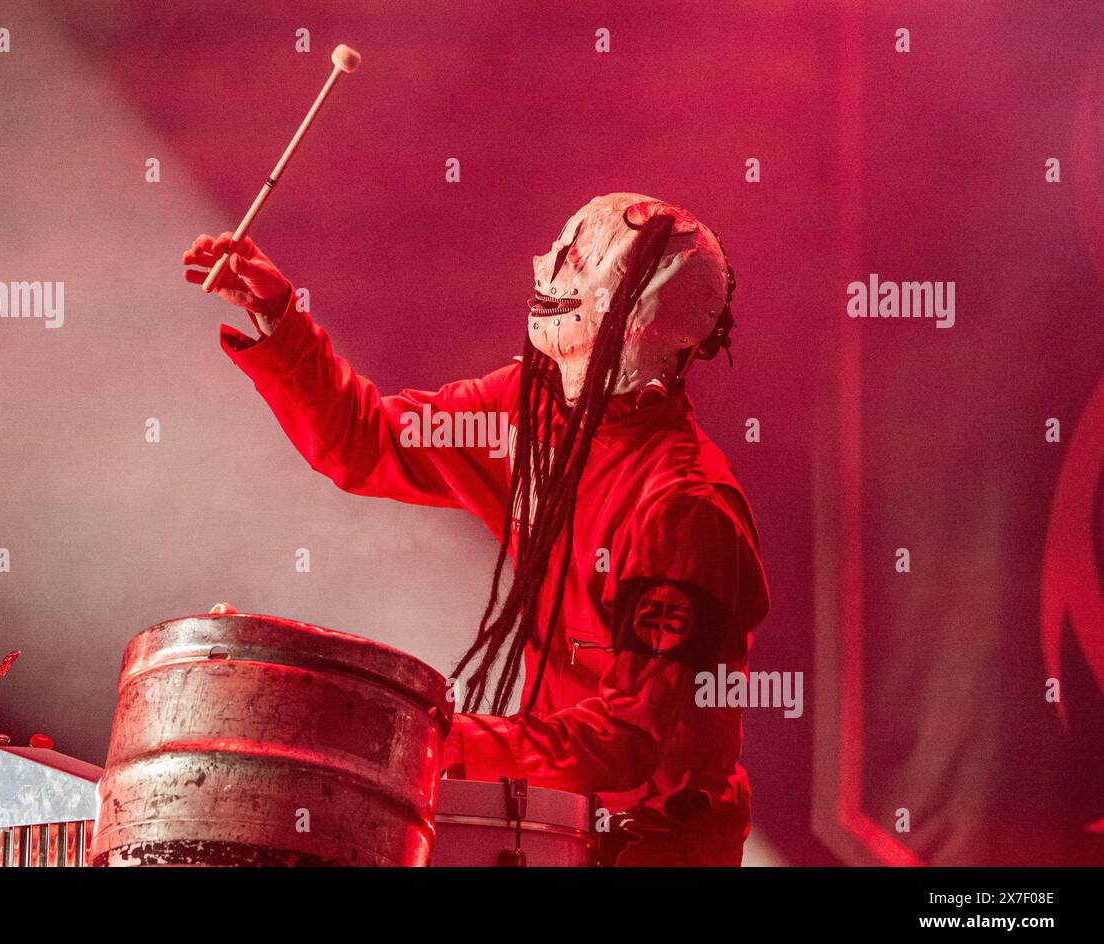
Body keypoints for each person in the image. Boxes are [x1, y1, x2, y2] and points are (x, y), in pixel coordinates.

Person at [185, 193, 769, 865]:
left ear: (642, 313)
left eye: (580, 255)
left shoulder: (684, 508)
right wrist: (278, 317)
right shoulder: (526, 412)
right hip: (554, 816)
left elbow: (625, 741)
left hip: (654, 848)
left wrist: (431, 742)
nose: (548, 262)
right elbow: (367, 442)